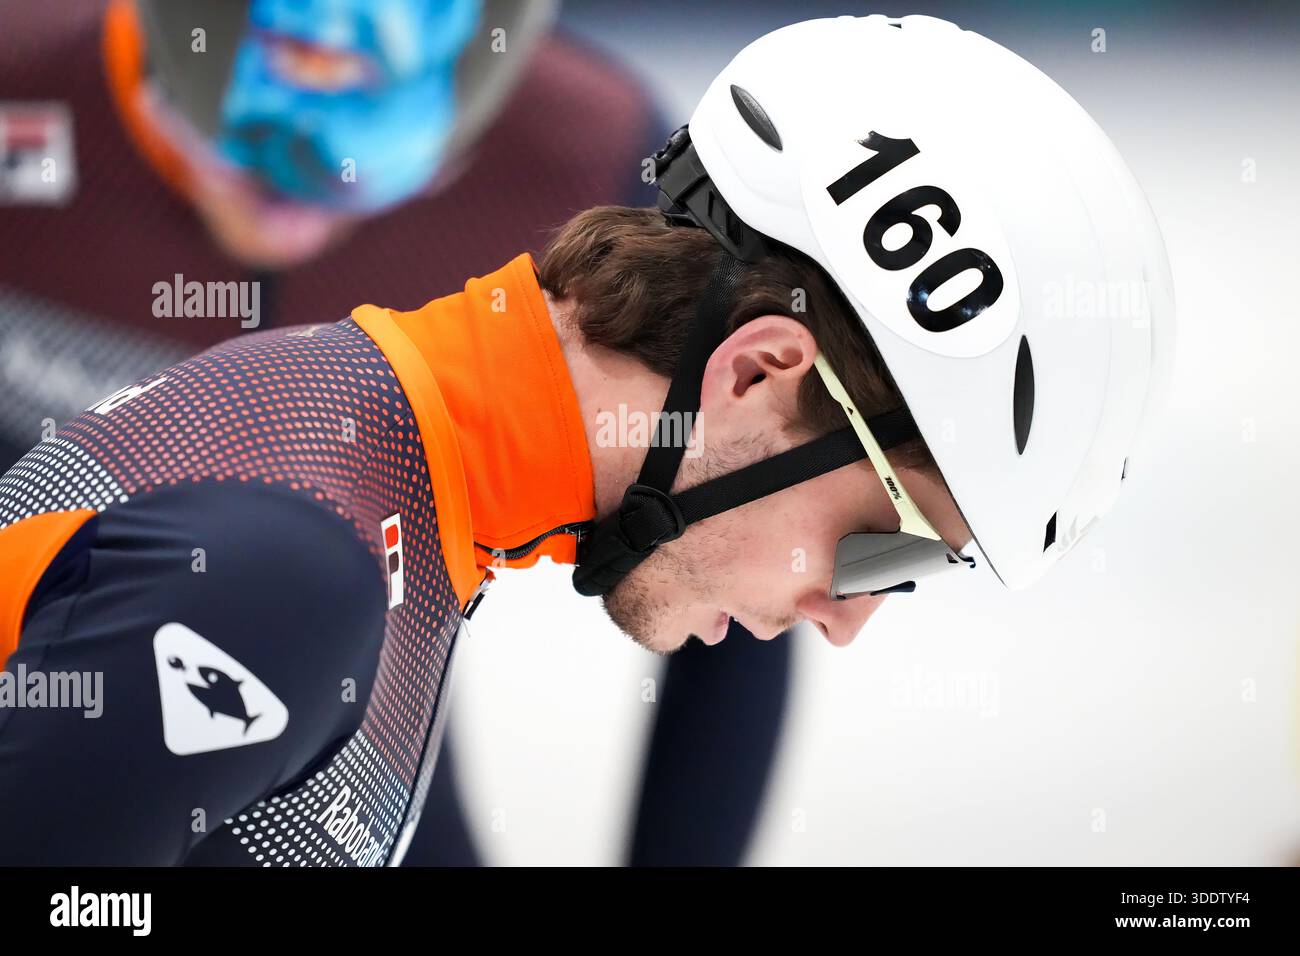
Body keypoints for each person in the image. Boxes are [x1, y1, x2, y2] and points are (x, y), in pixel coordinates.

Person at [0, 13, 1172, 864]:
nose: (849, 617)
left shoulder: (384, 517)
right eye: (888, 548)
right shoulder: (297, 571)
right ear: (755, 373)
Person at [0, 0, 797, 865]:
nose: (290, 221)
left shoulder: (585, 155)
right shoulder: (23, 69)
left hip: (344, 685)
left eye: (378, 181)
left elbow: (741, 534)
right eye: (239, 155)